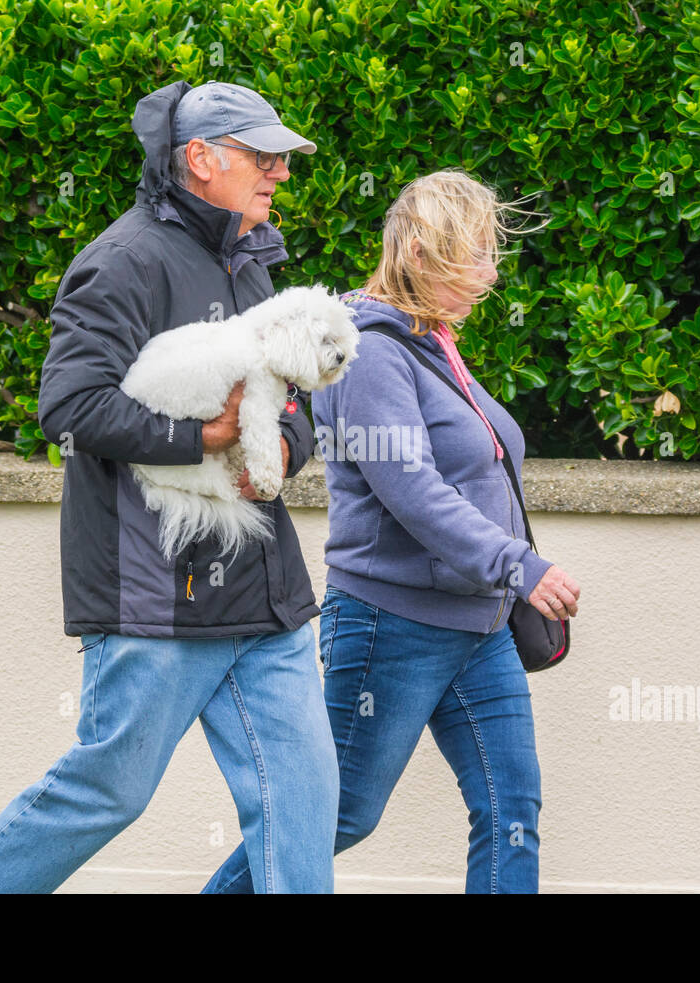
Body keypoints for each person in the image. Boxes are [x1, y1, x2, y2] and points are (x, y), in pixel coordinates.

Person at [0, 80, 339, 894]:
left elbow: (299, 398)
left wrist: (287, 446)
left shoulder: (255, 259)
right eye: (264, 156)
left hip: (267, 594)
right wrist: (204, 438)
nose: (280, 174)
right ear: (201, 159)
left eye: (282, 159)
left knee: (305, 803)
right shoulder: (121, 261)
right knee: (106, 792)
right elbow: (70, 408)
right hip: (157, 592)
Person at [203, 169, 581, 894]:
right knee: (334, 813)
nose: (488, 273)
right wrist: (521, 565)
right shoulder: (368, 351)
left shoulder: (433, 343)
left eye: (487, 254)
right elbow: (413, 491)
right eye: (470, 256)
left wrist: (505, 576)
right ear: (416, 256)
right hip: (392, 627)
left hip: (482, 623)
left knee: (512, 812)